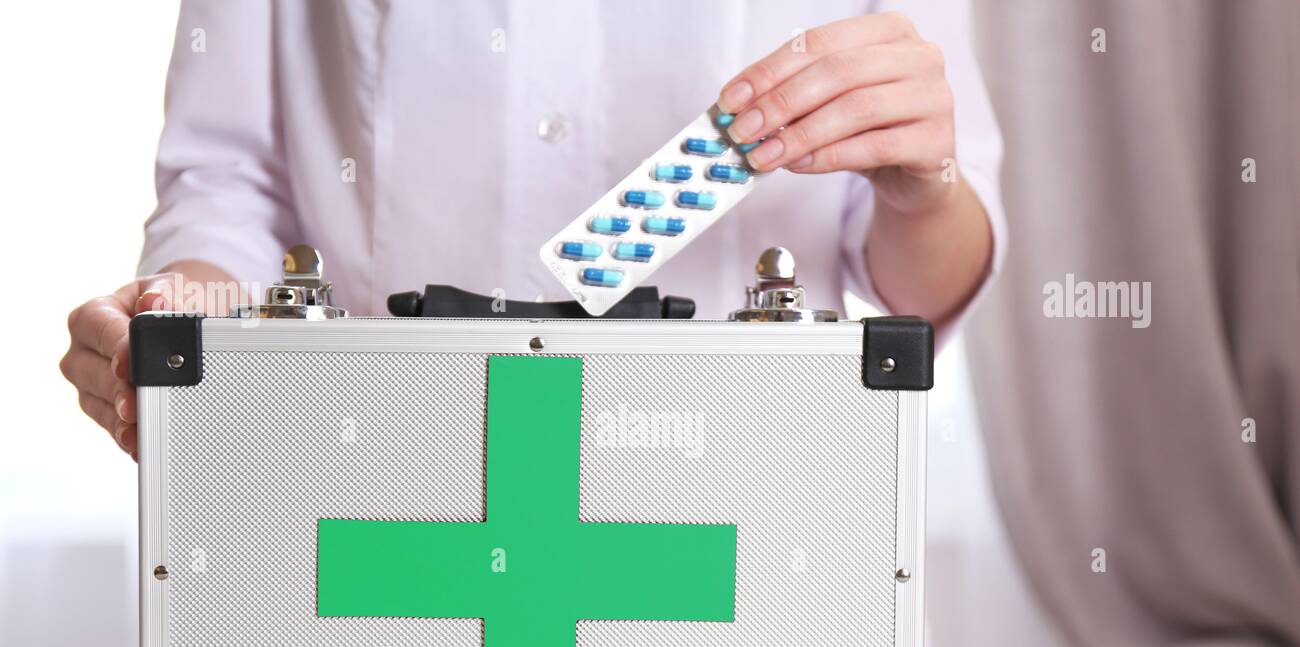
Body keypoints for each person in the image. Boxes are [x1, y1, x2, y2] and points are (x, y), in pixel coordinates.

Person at [61, 0, 1004, 457]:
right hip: (391, 488)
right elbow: (230, 186)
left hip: (744, 500)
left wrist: (924, 189)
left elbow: (921, 290)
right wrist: (179, 323)